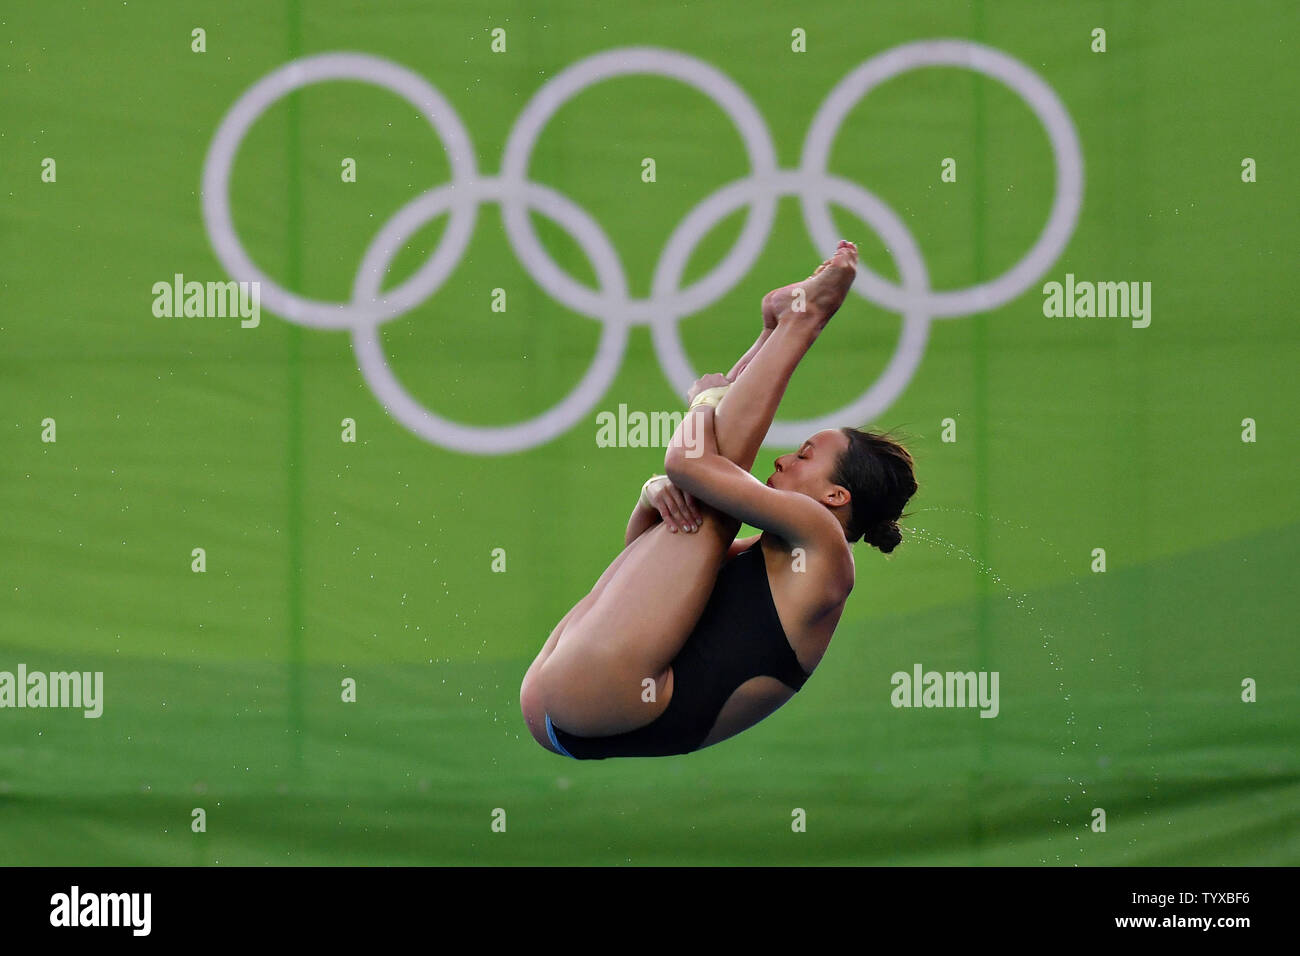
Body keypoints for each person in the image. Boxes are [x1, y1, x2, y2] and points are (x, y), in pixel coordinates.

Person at [519, 241, 918, 759]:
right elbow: (645, 561)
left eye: (803, 456)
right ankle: (781, 327)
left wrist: (704, 403)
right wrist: (651, 499)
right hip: (579, 715)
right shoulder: (769, 553)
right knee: (696, 514)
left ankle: (803, 321)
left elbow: (688, 463)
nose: (781, 460)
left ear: (835, 495)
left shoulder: (822, 542)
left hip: (605, 698)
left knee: (709, 503)